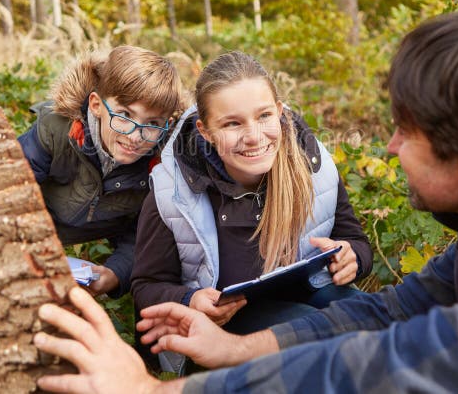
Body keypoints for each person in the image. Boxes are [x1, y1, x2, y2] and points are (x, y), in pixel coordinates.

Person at [32, 10, 458, 393]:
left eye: (406, 129)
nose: (391, 145)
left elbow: (389, 369)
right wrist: (234, 346)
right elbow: (389, 313)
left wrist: (152, 392)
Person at [130, 51, 373, 344]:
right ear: (205, 131)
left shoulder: (313, 165)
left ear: (280, 112)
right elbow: (146, 287)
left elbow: (354, 240)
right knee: (305, 334)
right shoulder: (174, 190)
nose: (254, 136)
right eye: (232, 124)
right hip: (226, 326)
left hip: (311, 291)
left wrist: (352, 257)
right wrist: (189, 298)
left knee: (368, 318)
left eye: (264, 116)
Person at [19, 45, 183, 298]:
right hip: (38, 226)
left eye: (152, 124)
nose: (136, 136)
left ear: (168, 124)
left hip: (101, 231)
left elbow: (143, 234)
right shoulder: (56, 132)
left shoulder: (162, 164)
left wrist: (115, 274)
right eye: (125, 115)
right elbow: (11, 193)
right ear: (96, 104)